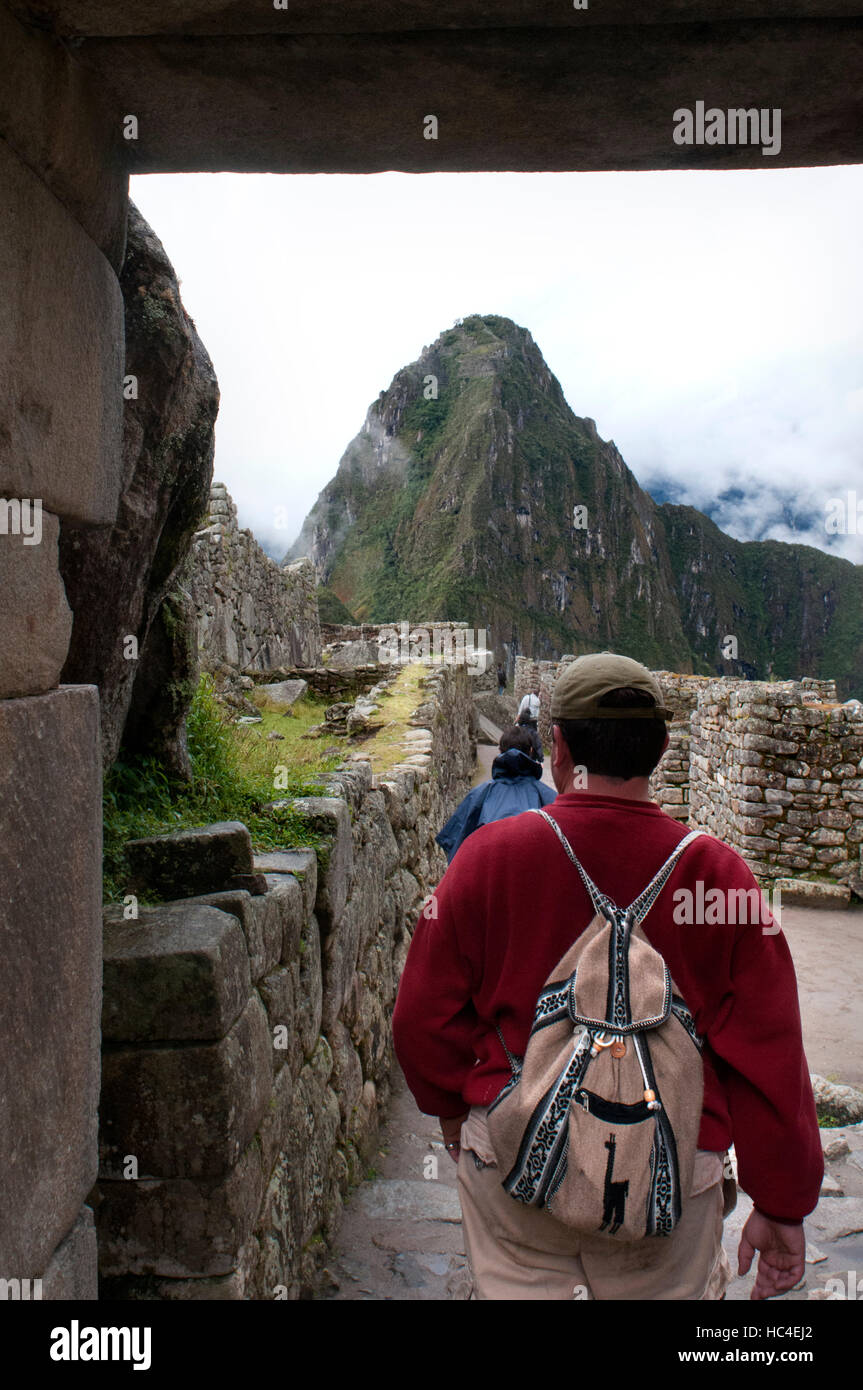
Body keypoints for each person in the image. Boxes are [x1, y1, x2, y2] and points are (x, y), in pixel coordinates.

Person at [392, 652, 823, 1301]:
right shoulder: (719, 878)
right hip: (670, 1178)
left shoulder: (488, 860)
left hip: (514, 1166)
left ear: (558, 747)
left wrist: (452, 1113)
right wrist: (783, 1205)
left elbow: (421, 1020)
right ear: (661, 749)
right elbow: (770, 1055)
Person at [436, 726, 556, 863]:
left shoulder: (478, 795)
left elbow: (455, 844)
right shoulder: (550, 799)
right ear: (531, 751)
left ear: (500, 751)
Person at [515, 684, 544, 763]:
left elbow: (520, 711)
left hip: (524, 722)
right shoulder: (538, 701)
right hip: (533, 723)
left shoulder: (526, 698)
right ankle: (533, 757)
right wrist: (541, 759)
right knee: (534, 740)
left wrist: (515, 722)